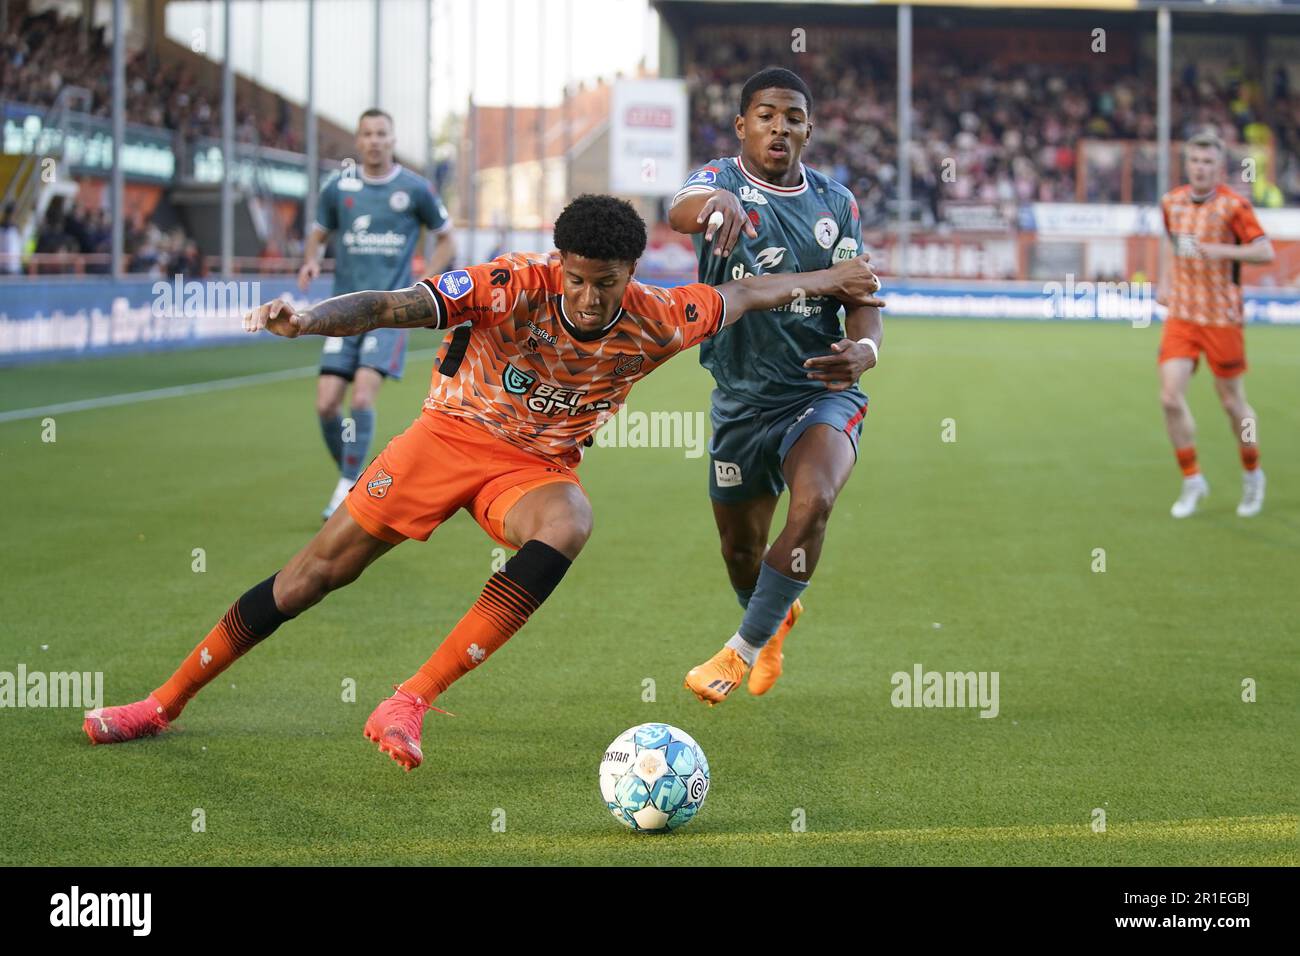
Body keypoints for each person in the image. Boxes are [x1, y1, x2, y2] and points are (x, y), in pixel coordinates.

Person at [82, 194, 884, 771]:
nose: (588, 295)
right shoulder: (510, 283)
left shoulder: (659, 314)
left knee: (570, 520)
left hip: (532, 471)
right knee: (308, 579)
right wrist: (311, 319)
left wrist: (832, 279)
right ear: (558, 262)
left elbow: (746, 292)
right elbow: (395, 305)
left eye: (605, 281)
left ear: (630, 272)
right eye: (577, 277)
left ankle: (408, 701)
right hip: (444, 438)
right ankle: (161, 703)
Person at [667, 68, 882, 705]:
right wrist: (715, 203)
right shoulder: (719, 179)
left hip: (818, 392)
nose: (779, 126)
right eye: (765, 115)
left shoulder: (837, 203)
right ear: (742, 126)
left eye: (792, 116)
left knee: (814, 500)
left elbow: (861, 293)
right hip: (740, 400)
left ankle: (743, 648)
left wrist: (864, 351)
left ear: (809, 129)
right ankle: (772, 616)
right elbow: (678, 211)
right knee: (741, 552)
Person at [298, 108, 456, 520]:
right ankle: (350, 478)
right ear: (358, 140)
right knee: (326, 404)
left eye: (381, 133)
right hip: (341, 311)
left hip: (388, 312)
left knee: (363, 394)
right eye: (366, 133)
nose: (374, 140)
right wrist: (311, 260)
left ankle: (344, 489)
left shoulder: (415, 189)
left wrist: (425, 279)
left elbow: (446, 239)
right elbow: (317, 234)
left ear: (392, 138)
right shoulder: (338, 187)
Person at [1158, 130, 1274, 519]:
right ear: (1187, 164)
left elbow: (1264, 251)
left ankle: (1252, 472)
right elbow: (1169, 240)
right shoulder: (1171, 202)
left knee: (1232, 403)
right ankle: (1192, 480)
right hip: (1183, 316)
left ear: (1219, 167)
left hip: (1222, 318)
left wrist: (1219, 250)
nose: (1201, 168)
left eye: (1208, 162)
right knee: (1170, 398)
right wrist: (1164, 282)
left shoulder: (1233, 206)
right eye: (1195, 160)